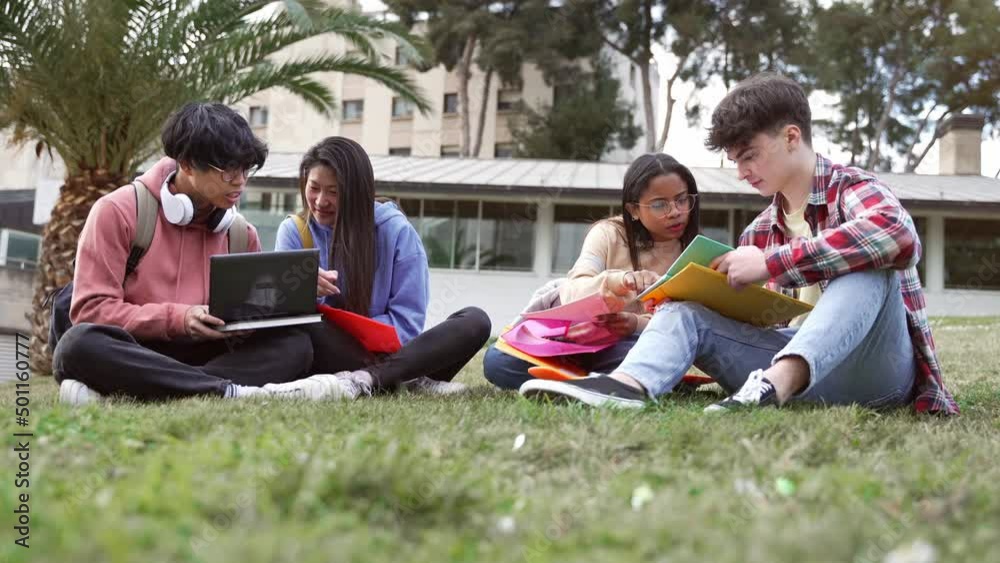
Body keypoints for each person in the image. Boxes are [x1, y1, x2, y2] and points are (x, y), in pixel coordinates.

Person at [520, 72, 958, 415]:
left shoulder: (852, 188)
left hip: (877, 374)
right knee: (686, 309)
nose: (742, 172)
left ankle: (775, 385)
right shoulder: (758, 232)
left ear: (791, 137)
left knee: (867, 264)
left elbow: (896, 236)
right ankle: (628, 386)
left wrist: (771, 264)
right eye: (735, 161)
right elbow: (764, 324)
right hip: (791, 370)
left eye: (749, 155)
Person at [54, 103, 367, 404]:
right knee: (78, 345)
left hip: (204, 352)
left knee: (296, 346)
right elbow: (91, 311)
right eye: (228, 172)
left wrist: (289, 294)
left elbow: (248, 324)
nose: (240, 182)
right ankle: (227, 390)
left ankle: (167, 388)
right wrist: (180, 317)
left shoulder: (241, 234)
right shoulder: (117, 212)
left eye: (246, 169)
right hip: (136, 348)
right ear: (187, 164)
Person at [275, 136, 491, 395]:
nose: (321, 201)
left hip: (393, 351)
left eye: (333, 192)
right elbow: (282, 318)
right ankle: (403, 380)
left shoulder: (395, 231)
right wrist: (304, 291)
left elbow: (408, 324)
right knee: (310, 328)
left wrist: (370, 335)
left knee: (475, 321)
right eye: (314, 188)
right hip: (331, 352)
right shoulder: (294, 232)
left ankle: (375, 378)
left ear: (357, 192)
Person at [483, 154, 702, 390]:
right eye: (660, 204)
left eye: (682, 200)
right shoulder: (607, 234)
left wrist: (635, 323)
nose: (675, 212)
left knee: (648, 354)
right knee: (497, 361)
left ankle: (582, 381)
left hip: (629, 345)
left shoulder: (693, 255)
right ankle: (599, 382)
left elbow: (684, 325)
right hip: (574, 339)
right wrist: (621, 280)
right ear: (633, 210)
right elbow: (575, 286)